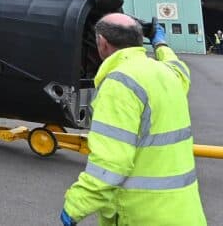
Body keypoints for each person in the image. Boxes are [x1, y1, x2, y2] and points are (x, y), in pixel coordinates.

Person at [61, 13, 206, 225]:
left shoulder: (119, 84)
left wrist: (74, 207)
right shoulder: (167, 74)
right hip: (185, 214)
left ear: (102, 42)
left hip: (143, 215)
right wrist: (160, 43)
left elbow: (111, 163)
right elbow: (178, 67)